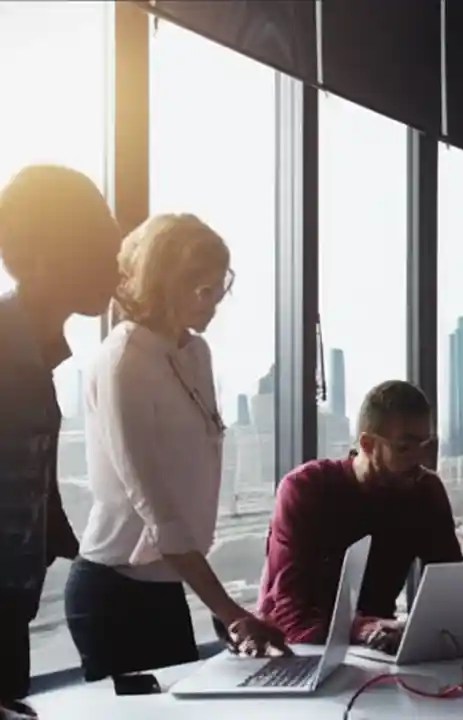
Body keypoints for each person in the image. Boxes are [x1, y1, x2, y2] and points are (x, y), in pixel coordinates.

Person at [66, 214, 288, 682]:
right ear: (165, 283)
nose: (213, 305)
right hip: (113, 593)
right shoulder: (124, 361)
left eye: (218, 290)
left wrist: (226, 612)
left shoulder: (195, 354)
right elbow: (159, 514)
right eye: (202, 290)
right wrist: (231, 614)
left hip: (164, 585)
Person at [0, 166, 121, 720]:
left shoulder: (35, 351)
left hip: (12, 611)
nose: (113, 265)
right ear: (44, 256)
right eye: (97, 248)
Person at [258, 381, 463, 652]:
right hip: (294, 652)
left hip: (374, 647)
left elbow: (452, 581)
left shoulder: (424, 491)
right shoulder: (307, 489)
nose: (420, 460)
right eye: (404, 448)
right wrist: (364, 629)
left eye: (426, 446)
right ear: (367, 444)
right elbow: (291, 618)